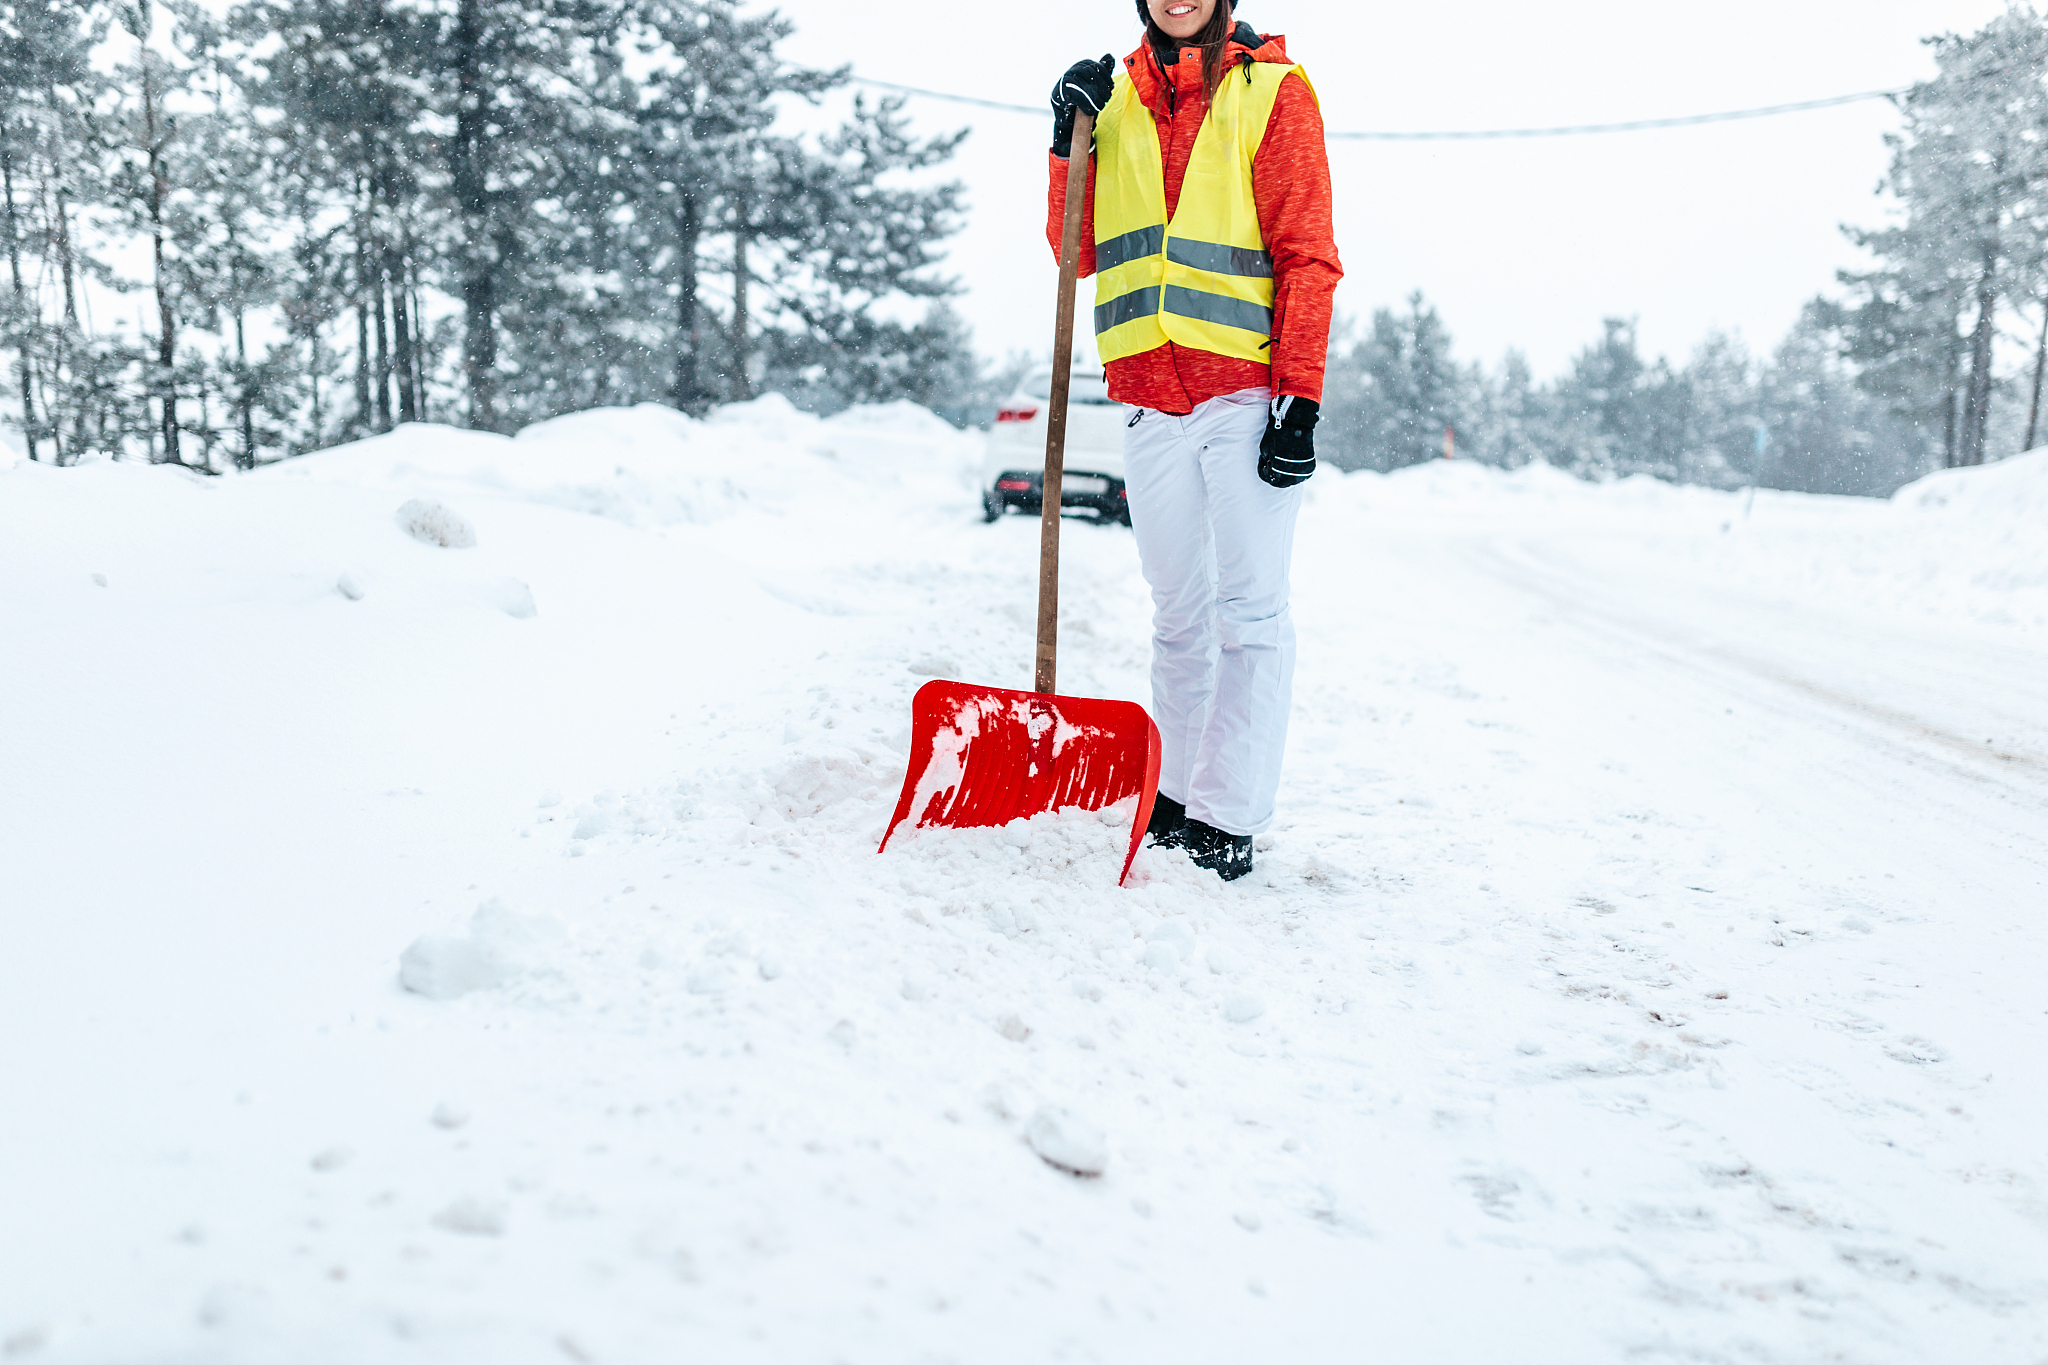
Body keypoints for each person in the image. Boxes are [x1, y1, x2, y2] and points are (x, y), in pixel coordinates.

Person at [1046, 0, 1341, 881]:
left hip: (1242, 390)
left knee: (1248, 614)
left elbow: (1307, 254)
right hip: (1146, 394)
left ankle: (1229, 816)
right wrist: (1068, 143)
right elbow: (1076, 252)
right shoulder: (1116, 101)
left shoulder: (1274, 91)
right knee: (1177, 614)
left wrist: (1299, 394)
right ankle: (1174, 795)